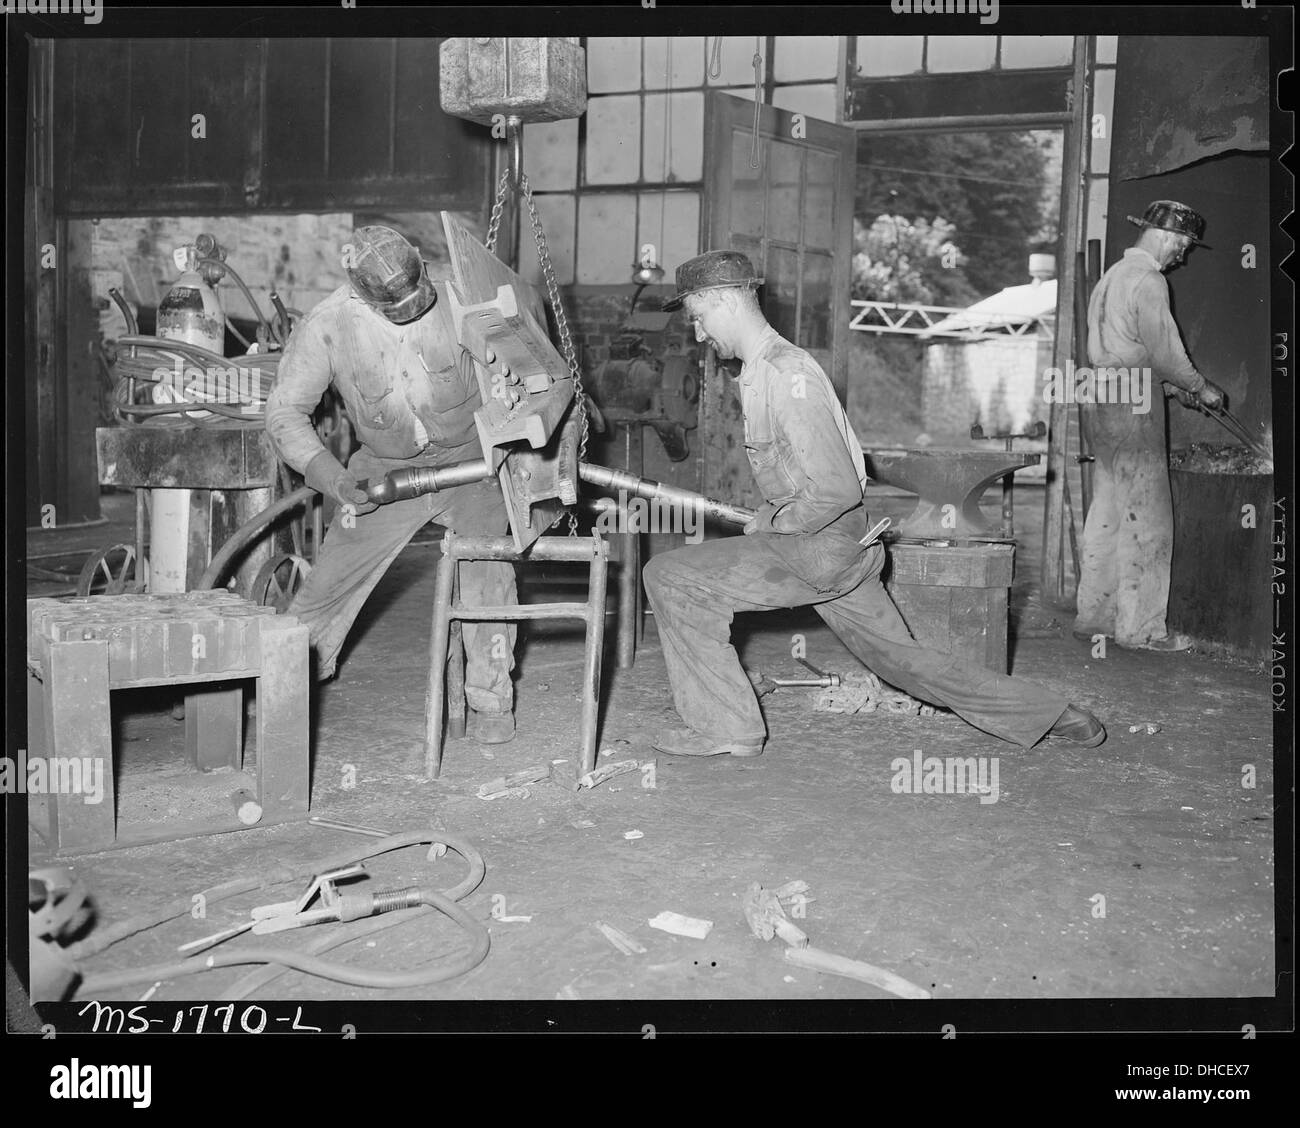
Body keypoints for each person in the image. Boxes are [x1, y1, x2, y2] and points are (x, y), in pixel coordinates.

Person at [642, 249, 1106, 758]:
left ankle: (726, 726)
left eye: (698, 317)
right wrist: (775, 513)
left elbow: (836, 488)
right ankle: (1052, 714)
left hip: (817, 548)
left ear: (724, 301)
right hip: (840, 546)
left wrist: (773, 518)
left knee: (670, 576)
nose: (699, 333)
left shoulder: (785, 375)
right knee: (902, 663)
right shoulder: (761, 372)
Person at [264, 225, 517, 744]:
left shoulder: (462, 297)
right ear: (360, 292)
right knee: (329, 581)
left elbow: (516, 371)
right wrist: (331, 478)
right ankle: (283, 691)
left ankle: (490, 701)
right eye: (392, 304)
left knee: (487, 568)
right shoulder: (327, 326)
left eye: (413, 296)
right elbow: (286, 413)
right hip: (384, 466)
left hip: (473, 461)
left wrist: (509, 403)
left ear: (422, 263)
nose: (408, 308)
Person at [1075, 200, 1226, 652]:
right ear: (1165, 237)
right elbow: (1165, 354)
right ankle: (1142, 630)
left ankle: (1094, 618)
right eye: (1183, 244)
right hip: (1132, 409)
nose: (1183, 255)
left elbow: (1125, 353)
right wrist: (1200, 388)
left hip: (1101, 399)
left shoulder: (1110, 280)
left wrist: (1169, 389)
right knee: (1148, 517)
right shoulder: (1149, 280)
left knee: (1107, 509)